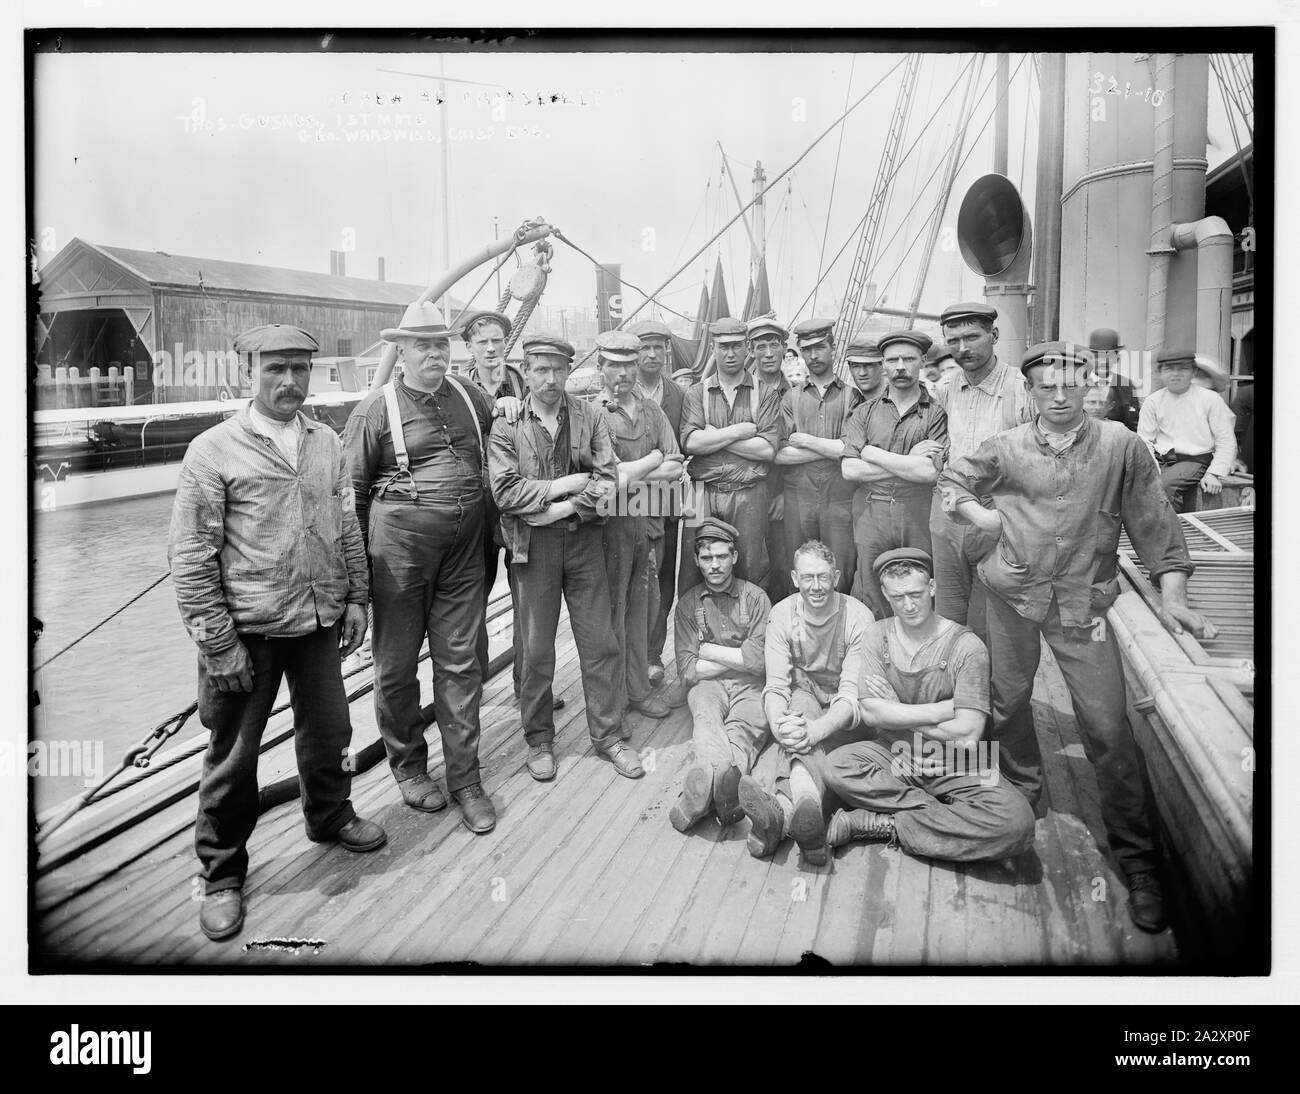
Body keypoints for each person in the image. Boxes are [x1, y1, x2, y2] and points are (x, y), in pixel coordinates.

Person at [938, 340, 1219, 933]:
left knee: (1108, 727)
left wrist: (1174, 600)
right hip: (1011, 595)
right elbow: (951, 480)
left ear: (1087, 385)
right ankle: (1023, 797)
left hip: (1082, 605)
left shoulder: (1120, 444)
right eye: (1046, 387)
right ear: (1032, 391)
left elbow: (1155, 523)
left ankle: (1138, 861)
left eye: (1071, 385)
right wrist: (980, 515)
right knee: (1007, 701)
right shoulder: (1007, 445)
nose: (1059, 397)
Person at [170, 324, 385, 942]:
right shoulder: (213, 451)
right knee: (233, 759)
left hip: (318, 622)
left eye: (299, 368)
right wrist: (217, 643)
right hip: (247, 634)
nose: (289, 381)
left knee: (332, 732)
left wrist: (356, 600)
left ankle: (330, 815)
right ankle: (221, 874)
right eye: (274, 369)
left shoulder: (326, 443)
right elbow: (190, 558)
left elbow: (346, 525)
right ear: (248, 373)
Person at [342, 301, 497, 835]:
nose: (434, 353)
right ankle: (409, 769)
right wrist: (357, 586)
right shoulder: (373, 411)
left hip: (463, 553)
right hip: (398, 557)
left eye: (441, 344)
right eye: (421, 345)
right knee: (395, 664)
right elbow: (353, 498)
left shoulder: (471, 397)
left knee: (460, 662)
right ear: (401, 350)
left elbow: (498, 453)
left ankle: (466, 779)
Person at [489, 331, 645, 780]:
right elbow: (504, 490)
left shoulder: (589, 415)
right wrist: (561, 490)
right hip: (531, 549)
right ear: (527, 370)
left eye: (559, 369)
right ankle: (539, 740)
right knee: (536, 652)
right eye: (541, 369)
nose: (551, 378)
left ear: (569, 371)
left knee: (600, 644)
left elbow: (606, 477)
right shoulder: (507, 425)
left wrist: (561, 509)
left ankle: (608, 735)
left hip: (582, 542)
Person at [818, 549, 1035, 862]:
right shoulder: (876, 636)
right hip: (896, 754)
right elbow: (870, 711)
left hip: (960, 762)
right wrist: (941, 710)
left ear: (932, 587)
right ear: (885, 595)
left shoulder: (967, 647)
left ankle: (885, 822)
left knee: (1018, 823)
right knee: (835, 766)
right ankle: (943, 817)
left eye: (916, 594)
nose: (908, 605)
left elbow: (967, 735)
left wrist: (899, 711)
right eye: (897, 597)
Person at [738, 540, 875, 866]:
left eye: (823, 577)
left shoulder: (858, 617)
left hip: (844, 717)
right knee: (798, 713)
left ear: (837, 577)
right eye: (808, 577)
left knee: (809, 743)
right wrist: (779, 724)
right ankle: (806, 820)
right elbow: (776, 686)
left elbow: (850, 695)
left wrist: (816, 731)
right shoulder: (782, 613)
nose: (816, 586)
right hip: (804, 701)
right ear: (795, 578)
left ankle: (780, 818)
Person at [454, 309, 560, 709]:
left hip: (519, 506)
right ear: (470, 348)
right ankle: (473, 683)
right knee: (471, 600)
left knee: (526, 603)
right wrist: (494, 409)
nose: (492, 348)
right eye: (482, 342)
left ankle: (526, 687)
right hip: (478, 509)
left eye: (498, 340)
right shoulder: (458, 388)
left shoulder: (522, 379)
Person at [928, 302, 1032, 639]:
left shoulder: (1021, 388)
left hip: (998, 511)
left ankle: (989, 685)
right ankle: (956, 681)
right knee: (948, 604)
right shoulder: (943, 390)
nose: (962, 348)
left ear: (994, 335)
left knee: (992, 610)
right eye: (953, 340)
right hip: (948, 509)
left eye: (972, 337)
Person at [595, 329, 683, 721]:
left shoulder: (652, 411)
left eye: (629, 364)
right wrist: (651, 462)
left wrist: (633, 472)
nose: (624, 373)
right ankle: (612, 699)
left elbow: (677, 462)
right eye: (614, 364)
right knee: (609, 614)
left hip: (648, 523)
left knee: (642, 612)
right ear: (601, 368)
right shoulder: (591, 414)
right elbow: (607, 476)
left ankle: (638, 690)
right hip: (608, 528)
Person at [669, 518, 772, 832]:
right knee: (706, 717)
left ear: (735, 557)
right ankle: (724, 794)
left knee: (744, 729)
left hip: (750, 687)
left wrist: (709, 650)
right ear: (697, 561)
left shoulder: (756, 598)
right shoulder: (687, 605)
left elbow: (759, 662)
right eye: (707, 558)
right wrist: (739, 657)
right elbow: (688, 669)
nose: (714, 565)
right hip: (707, 685)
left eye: (722, 557)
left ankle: (702, 793)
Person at [840, 329, 948, 618]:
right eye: (893, 360)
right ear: (883, 364)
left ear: (922, 361)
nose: (900, 366)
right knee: (872, 587)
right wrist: (907, 462)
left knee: (918, 585)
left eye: (909, 359)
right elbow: (849, 469)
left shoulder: (935, 413)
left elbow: (928, 473)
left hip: (917, 511)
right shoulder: (864, 412)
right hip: (871, 510)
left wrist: (871, 453)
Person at [680, 317, 782, 594]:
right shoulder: (696, 393)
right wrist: (740, 431)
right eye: (723, 347)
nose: (730, 353)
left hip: (748, 493)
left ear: (747, 348)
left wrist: (716, 436)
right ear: (713, 348)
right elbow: (691, 443)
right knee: (693, 570)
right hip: (701, 492)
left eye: (736, 346)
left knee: (750, 568)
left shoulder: (765, 394)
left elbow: (767, 450)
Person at [778, 317, 861, 593]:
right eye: (807, 349)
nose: (813, 355)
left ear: (833, 347)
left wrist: (805, 441)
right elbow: (780, 454)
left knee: (840, 570)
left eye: (820, 347)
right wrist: (829, 448)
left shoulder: (852, 396)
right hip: (799, 494)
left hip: (840, 495)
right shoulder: (791, 398)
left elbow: (850, 450)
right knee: (799, 567)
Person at [629, 317, 687, 688]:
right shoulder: (622, 392)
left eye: (658, 347)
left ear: (667, 351)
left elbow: (681, 454)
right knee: (635, 579)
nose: (652, 354)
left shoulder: (679, 395)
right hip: (628, 504)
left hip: (668, 500)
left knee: (665, 579)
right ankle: (631, 657)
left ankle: (652, 655)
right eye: (644, 347)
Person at [1138, 348, 1237, 513]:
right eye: (1169, 369)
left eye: (1183, 368)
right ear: (1160, 373)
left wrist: (1214, 473)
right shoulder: (1153, 401)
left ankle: (1172, 536)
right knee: (1137, 486)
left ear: (1193, 371)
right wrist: (1152, 469)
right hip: (1162, 460)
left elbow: (1225, 440)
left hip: (1195, 460)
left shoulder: (1210, 399)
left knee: (1163, 487)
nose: (1175, 374)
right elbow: (1144, 440)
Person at [748, 315, 795, 605]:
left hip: (782, 493)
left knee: (781, 567)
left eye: (774, 345)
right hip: (745, 491)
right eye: (760, 345)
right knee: (748, 567)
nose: (768, 353)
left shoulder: (795, 394)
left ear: (784, 348)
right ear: (750, 350)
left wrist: (785, 493)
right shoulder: (741, 392)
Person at [1086, 328, 1141, 431]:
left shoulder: (1126, 385)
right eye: (1097, 356)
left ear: (1117, 358)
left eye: (1109, 356)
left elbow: (1133, 423)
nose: (1103, 361)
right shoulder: (1079, 384)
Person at [845, 336, 886, 402]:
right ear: (850, 369)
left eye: (869, 365)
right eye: (856, 366)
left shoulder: (896, 404)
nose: (862, 373)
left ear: (882, 366)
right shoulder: (849, 405)